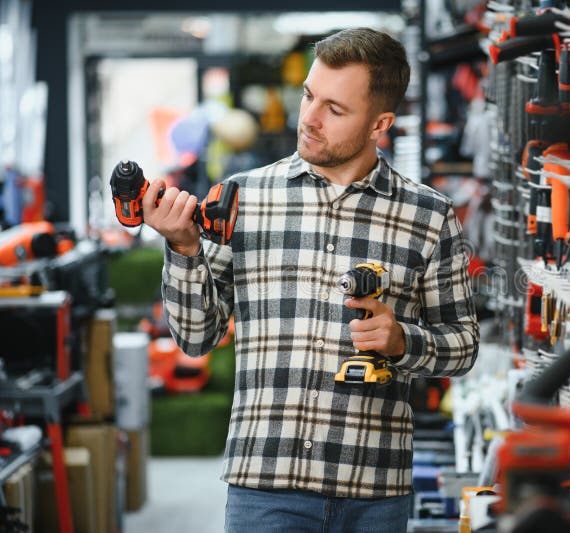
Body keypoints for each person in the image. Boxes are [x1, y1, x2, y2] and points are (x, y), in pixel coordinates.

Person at [142, 28, 479, 532]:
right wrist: (184, 249)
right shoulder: (243, 199)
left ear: (379, 123)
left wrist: (401, 340)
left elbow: (464, 345)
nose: (309, 119)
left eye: (335, 109)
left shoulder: (428, 216)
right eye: (308, 96)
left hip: (374, 490)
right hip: (264, 487)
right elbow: (196, 338)